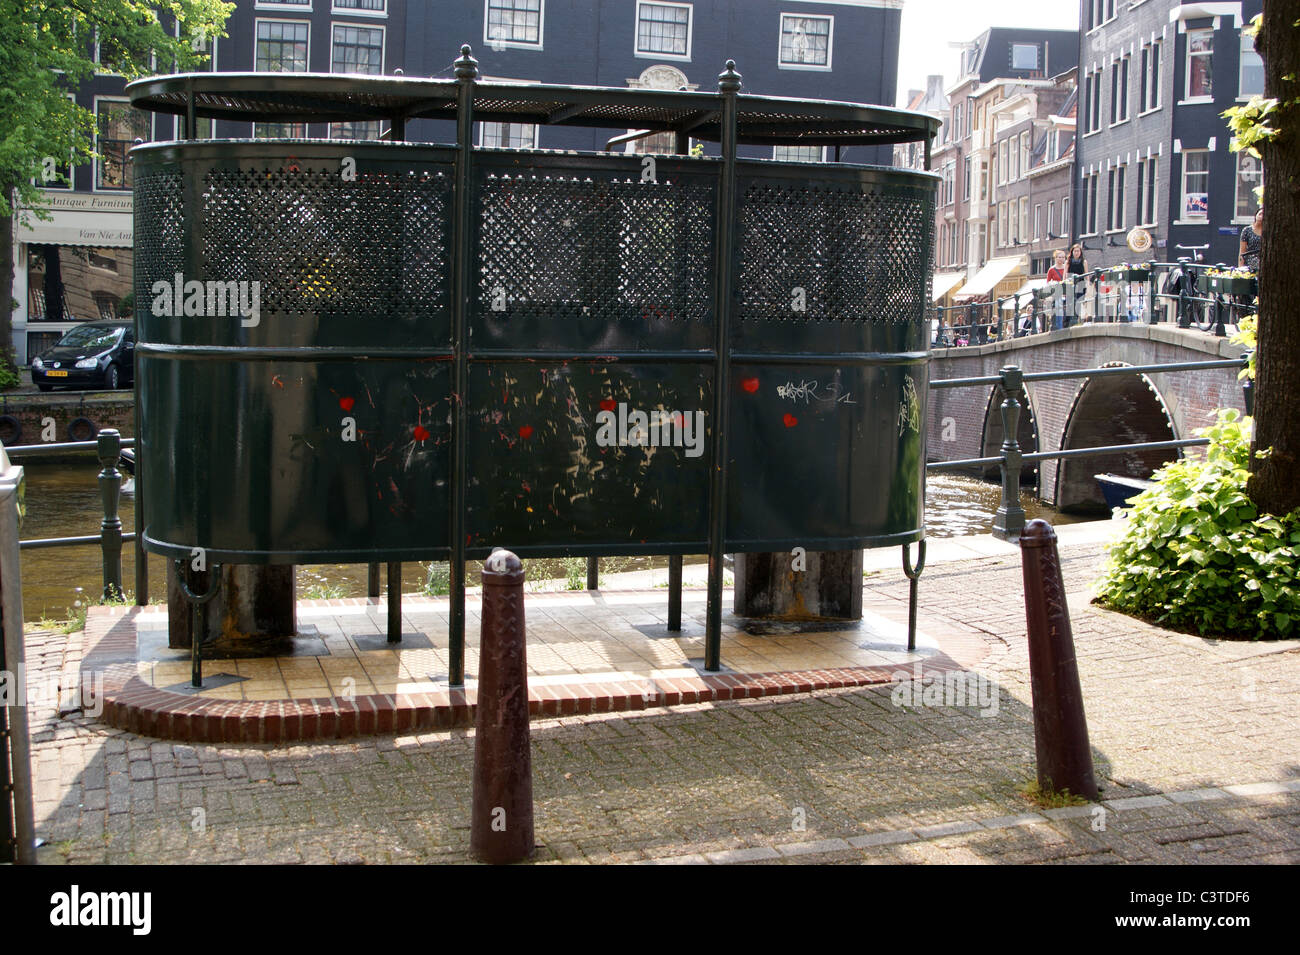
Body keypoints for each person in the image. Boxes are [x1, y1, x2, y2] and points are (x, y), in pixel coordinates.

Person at [1067, 243, 1089, 324]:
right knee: (1070, 302)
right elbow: (1065, 275)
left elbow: (1086, 274)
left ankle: (1076, 319)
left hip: (1081, 284)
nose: (1076, 253)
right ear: (1072, 252)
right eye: (1075, 251)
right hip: (1071, 284)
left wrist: (1088, 284)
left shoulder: (1084, 262)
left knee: (1079, 302)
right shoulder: (1068, 262)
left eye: (1078, 251)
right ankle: (1070, 320)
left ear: (1080, 252)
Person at [1239, 207, 1262, 272]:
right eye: (1260, 214)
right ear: (1256, 215)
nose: (1261, 216)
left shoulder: (1268, 231)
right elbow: (1242, 250)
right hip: (1250, 264)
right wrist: (1241, 267)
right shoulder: (1247, 230)